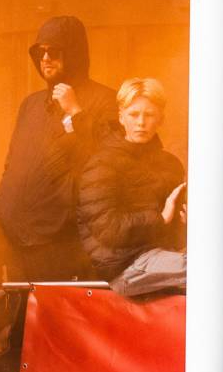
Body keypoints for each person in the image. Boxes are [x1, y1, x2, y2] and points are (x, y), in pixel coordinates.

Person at [0, 16, 117, 287]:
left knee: (44, 321)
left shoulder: (103, 100)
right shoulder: (31, 104)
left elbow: (108, 162)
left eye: (54, 52)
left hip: (56, 240)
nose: (45, 59)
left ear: (74, 54)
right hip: (9, 230)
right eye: (39, 52)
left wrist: (75, 112)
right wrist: (0, 206)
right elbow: (13, 161)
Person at [75, 79, 185, 285]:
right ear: (121, 117)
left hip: (161, 257)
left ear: (160, 118)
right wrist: (160, 218)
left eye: (149, 115)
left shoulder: (170, 164)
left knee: (221, 262)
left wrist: (186, 225)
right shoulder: (102, 163)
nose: (141, 122)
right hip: (121, 265)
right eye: (134, 114)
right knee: (208, 268)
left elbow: (174, 230)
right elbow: (108, 228)